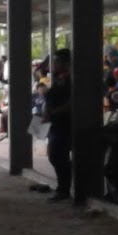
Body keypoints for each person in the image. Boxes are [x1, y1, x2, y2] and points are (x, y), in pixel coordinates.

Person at [43, 49, 73, 202]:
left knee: (57, 155)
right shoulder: (58, 79)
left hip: (64, 122)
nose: (54, 64)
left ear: (66, 63)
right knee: (54, 154)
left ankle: (64, 189)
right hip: (54, 121)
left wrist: (54, 111)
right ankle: (62, 187)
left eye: (57, 61)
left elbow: (71, 103)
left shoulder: (70, 80)